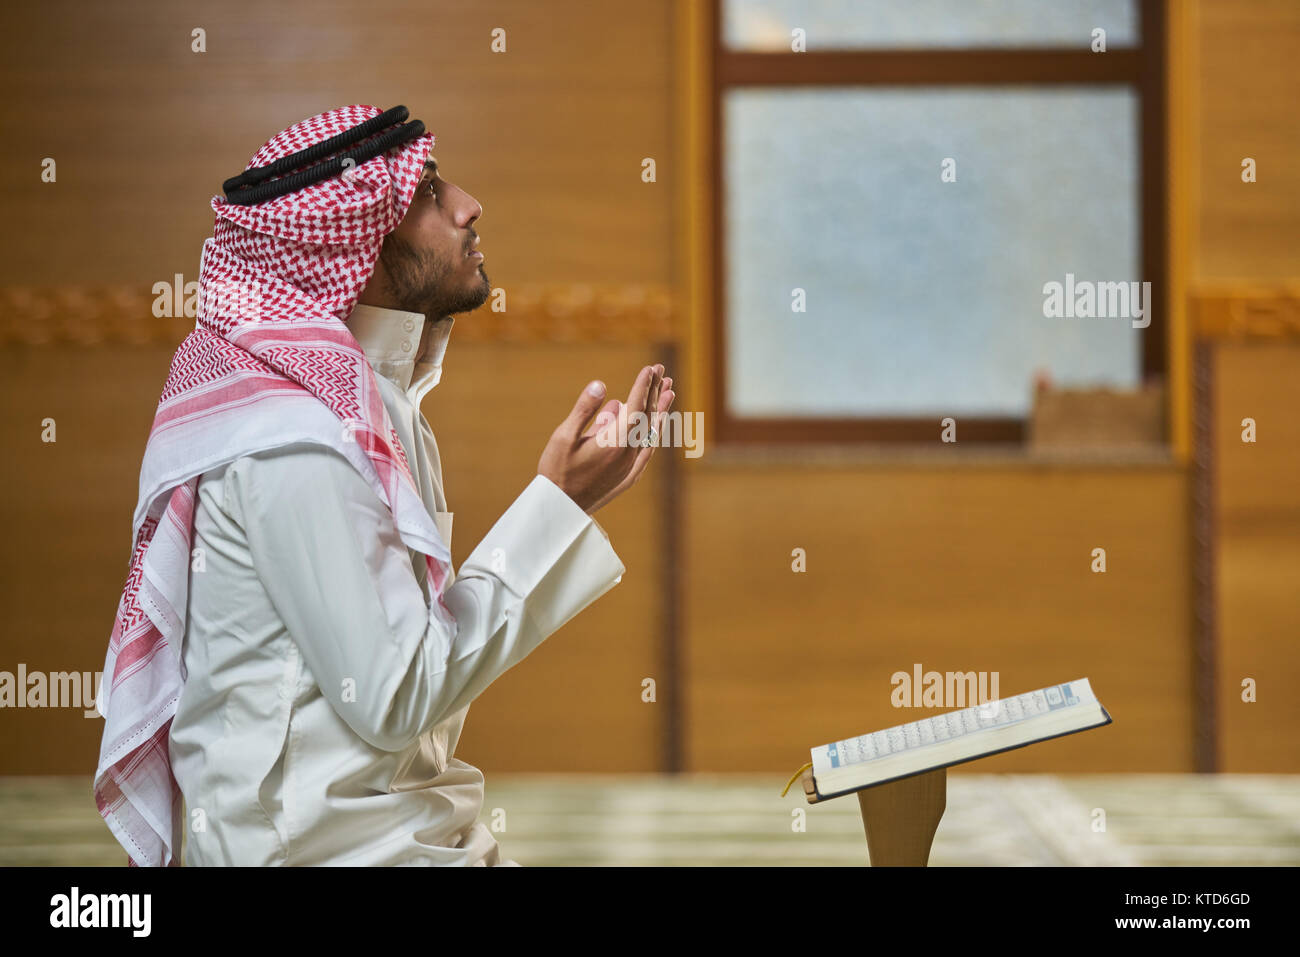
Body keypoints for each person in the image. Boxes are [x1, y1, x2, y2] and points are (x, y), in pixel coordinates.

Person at [93, 104, 674, 866]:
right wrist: (556, 505)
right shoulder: (293, 437)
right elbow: (398, 693)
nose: (467, 206)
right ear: (353, 246)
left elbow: (408, 679)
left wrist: (566, 505)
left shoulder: (369, 407)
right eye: (427, 194)